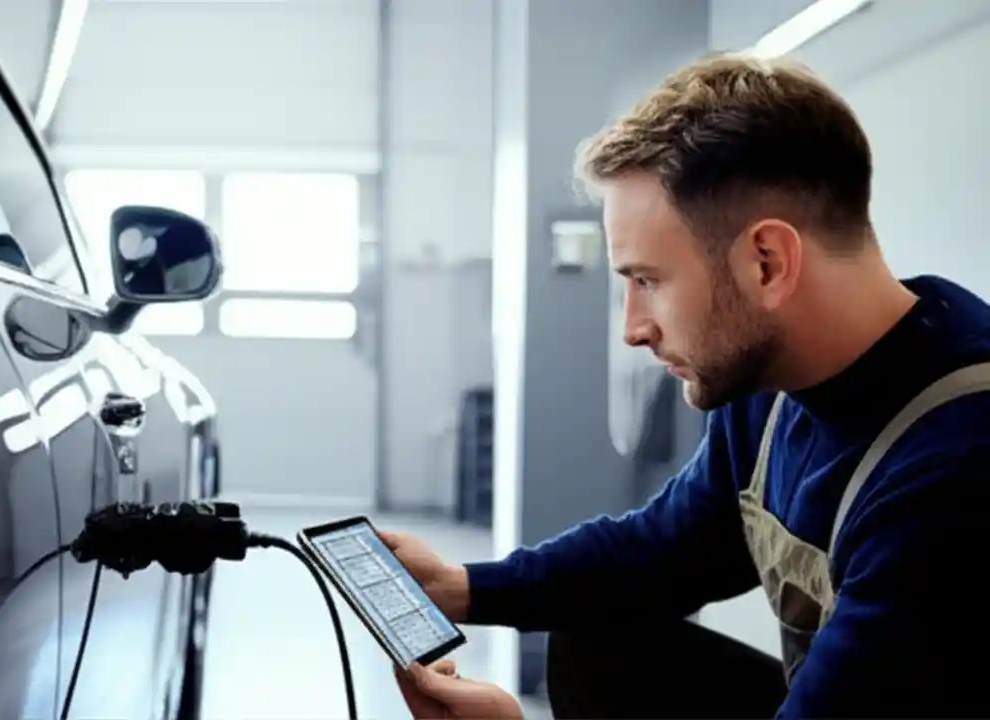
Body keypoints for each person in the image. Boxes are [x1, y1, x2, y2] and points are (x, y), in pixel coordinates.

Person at [386, 51, 990, 719]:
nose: (633, 329)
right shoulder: (775, 380)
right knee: (600, 639)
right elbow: (665, 550)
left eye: (648, 280)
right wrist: (464, 587)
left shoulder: (957, 463)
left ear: (767, 263)